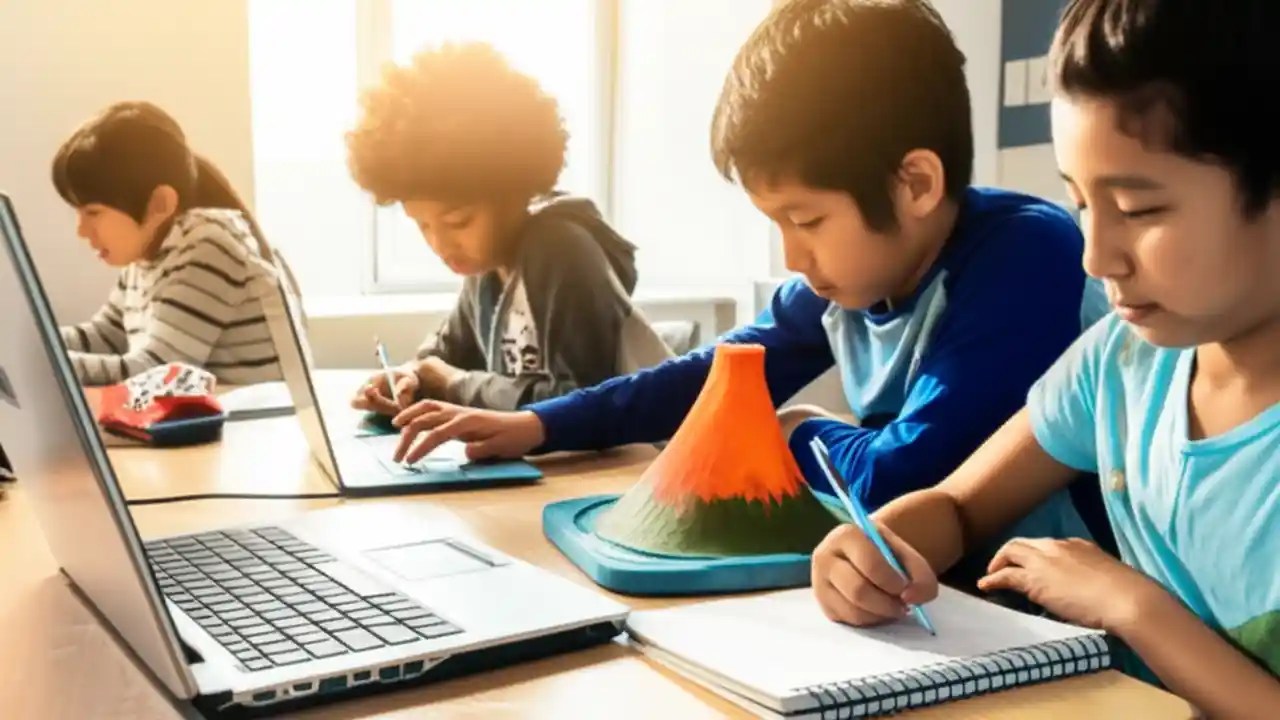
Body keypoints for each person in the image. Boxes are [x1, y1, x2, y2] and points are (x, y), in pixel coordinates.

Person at [383, 0, 1109, 552]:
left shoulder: (1025, 255)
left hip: (1061, 609)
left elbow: (907, 477)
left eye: (808, 221)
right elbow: (712, 377)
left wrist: (797, 430)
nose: (792, 259)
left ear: (914, 184)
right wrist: (537, 424)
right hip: (935, 581)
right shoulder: (850, 284)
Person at [809, 1, 1280, 715]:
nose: (1096, 256)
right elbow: (959, 507)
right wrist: (878, 547)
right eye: (1082, 205)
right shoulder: (1119, 363)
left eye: (1140, 210)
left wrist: (1131, 606)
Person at [345, 42, 669, 414]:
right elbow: (447, 354)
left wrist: (450, 383)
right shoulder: (486, 267)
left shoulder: (562, 250)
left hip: (635, 461)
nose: (439, 243)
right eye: (421, 225)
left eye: (458, 221)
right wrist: (408, 378)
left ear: (513, 190)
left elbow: (579, 400)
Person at [54, 101, 284, 387]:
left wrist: (44, 365)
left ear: (159, 204)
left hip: (250, 427)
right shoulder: (148, 257)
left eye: (93, 213)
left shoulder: (208, 247)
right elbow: (105, 337)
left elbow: (158, 373)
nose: (82, 231)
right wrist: (29, 345)